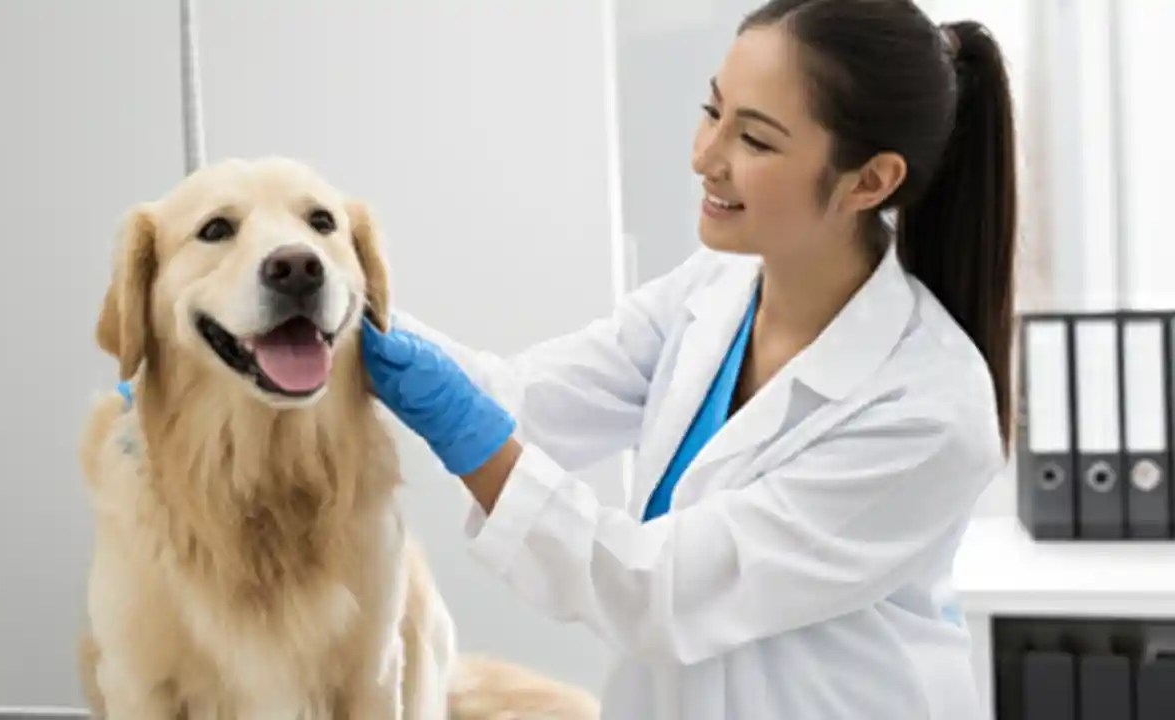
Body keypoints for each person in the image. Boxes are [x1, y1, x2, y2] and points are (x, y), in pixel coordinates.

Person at [361, 0, 1016, 717]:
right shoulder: (714, 292)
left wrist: (464, 429)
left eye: (755, 141)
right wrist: (352, 305)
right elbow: (519, 402)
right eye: (713, 111)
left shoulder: (929, 409)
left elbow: (660, 592)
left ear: (870, 181)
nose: (704, 157)